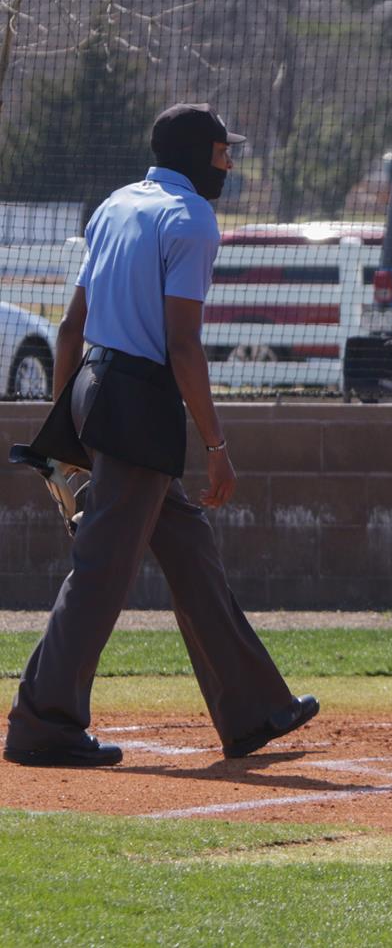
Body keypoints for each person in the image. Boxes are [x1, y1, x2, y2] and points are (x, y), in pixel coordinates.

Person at [6, 104, 317, 768]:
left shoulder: (119, 203)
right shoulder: (192, 219)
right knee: (102, 570)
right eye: (222, 152)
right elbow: (182, 345)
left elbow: (70, 328)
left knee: (189, 550)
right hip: (138, 404)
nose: (230, 164)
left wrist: (65, 428)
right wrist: (216, 446)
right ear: (196, 154)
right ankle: (43, 721)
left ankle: (254, 708)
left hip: (96, 387)